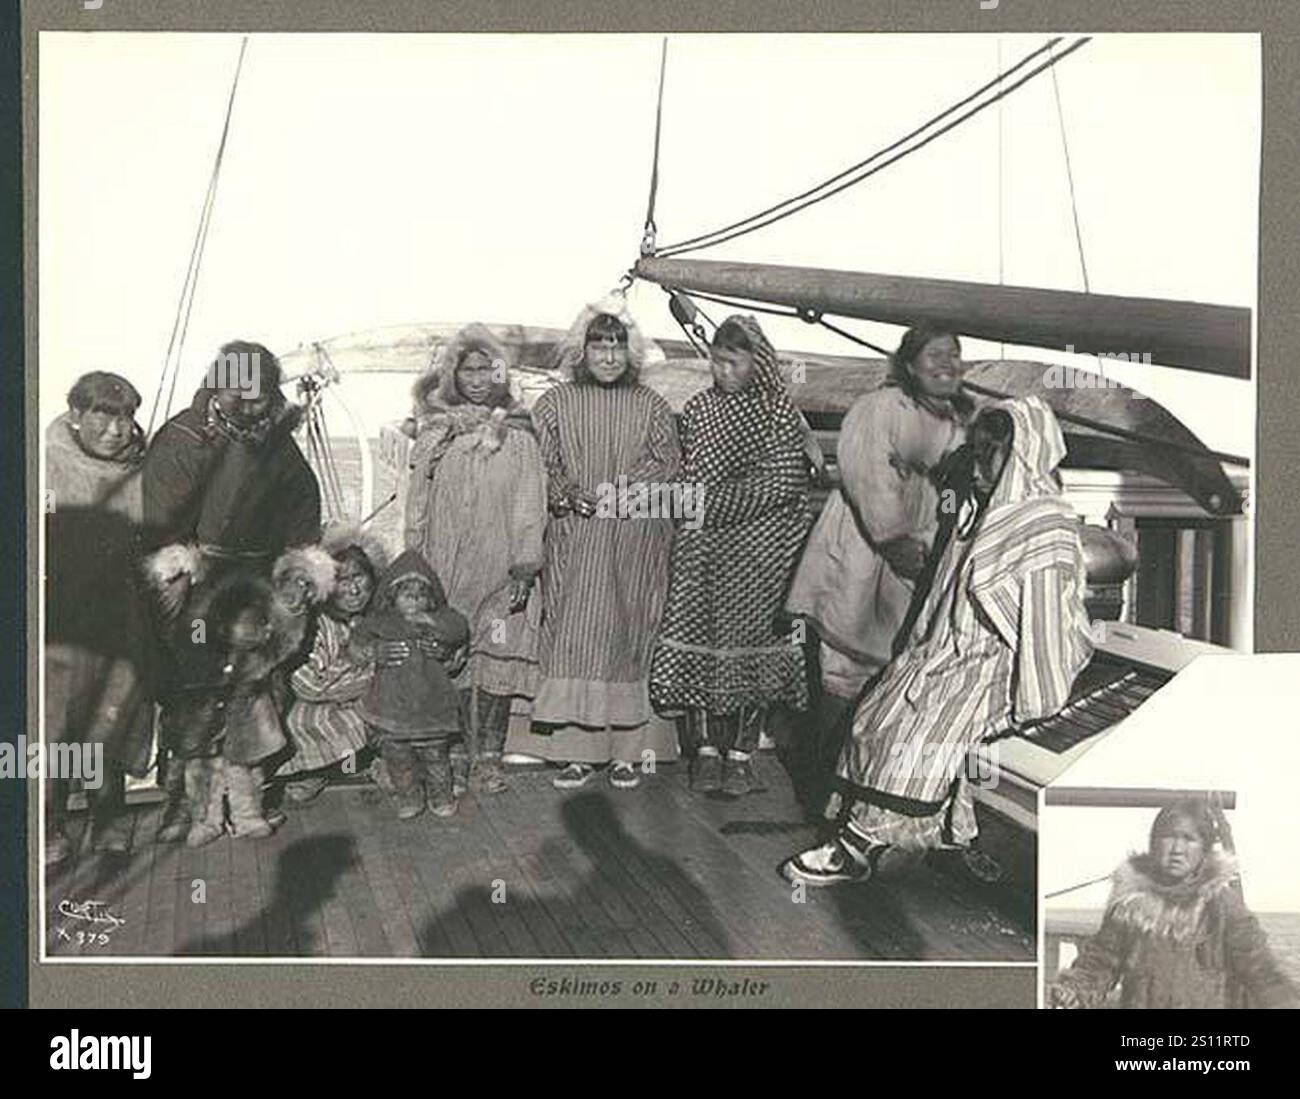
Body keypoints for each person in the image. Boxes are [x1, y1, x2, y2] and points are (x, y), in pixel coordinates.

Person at [781, 397, 1093, 885]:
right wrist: (919, 652)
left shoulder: (1043, 525)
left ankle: (858, 843)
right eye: (981, 451)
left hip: (1002, 664)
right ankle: (949, 837)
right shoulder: (977, 508)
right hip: (949, 649)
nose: (982, 465)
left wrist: (1035, 699)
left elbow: (1046, 627)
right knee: (875, 715)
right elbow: (942, 593)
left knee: (917, 732)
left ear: (1023, 456)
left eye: (993, 455)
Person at [142, 340, 321, 842]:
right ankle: (190, 808)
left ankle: (248, 802)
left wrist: (298, 572)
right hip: (197, 590)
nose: (247, 402)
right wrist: (176, 570)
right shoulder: (183, 437)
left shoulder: (280, 447)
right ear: (216, 385)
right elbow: (157, 518)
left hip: (253, 588)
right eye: (236, 389)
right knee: (192, 692)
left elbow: (301, 512)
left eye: (259, 393)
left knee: (250, 689)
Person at [507, 298, 681, 790]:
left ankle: (628, 753)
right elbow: (539, 462)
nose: (608, 357)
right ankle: (575, 752)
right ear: (580, 352)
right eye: (598, 346)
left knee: (628, 637)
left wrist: (626, 493)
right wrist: (565, 494)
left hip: (634, 539)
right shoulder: (556, 403)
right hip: (576, 537)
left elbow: (667, 463)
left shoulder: (650, 404)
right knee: (572, 639)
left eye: (617, 347)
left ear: (631, 353)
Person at [786, 326, 972, 768]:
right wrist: (898, 543)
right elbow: (869, 477)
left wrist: (937, 539)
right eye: (934, 354)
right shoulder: (878, 408)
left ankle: (871, 782)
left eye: (953, 354)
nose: (946, 363)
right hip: (864, 554)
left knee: (898, 671)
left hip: (923, 555)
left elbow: (958, 490)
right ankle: (825, 784)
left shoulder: (963, 422)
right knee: (845, 673)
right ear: (909, 364)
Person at [650, 316, 812, 797]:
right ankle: (703, 750)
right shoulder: (700, 408)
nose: (723, 370)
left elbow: (781, 482)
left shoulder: (778, 412)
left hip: (761, 550)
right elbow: (689, 471)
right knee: (700, 633)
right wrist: (694, 502)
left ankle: (740, 755)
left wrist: (708, 504)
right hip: (704, 548)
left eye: (733, 361)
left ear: (756, 361)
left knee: (752, 643)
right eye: (717, 360)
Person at [403, 324, 546, 795]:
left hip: (502, 572)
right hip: (446, 567)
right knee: (455, 655)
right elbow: (417, 502)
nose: (479, 379)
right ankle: (458, 752)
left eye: (487, 369)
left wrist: (525, 566)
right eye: (469, 369)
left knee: (498, 655)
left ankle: (490, 755)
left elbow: (530, 503)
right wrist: (415, 562)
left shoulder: (519, 435)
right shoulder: (437, 434)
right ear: (454, 375)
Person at [151, 544, 336, 847]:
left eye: (306, 586)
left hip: (244, 700)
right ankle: (205, 820)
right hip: (201, 699)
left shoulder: (275, 614)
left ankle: (247, 816)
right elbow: (190, 639)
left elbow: (282, 643)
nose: (298, 590)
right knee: (201, 763)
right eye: (294, 581)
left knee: (244, 763)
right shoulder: (198, 608)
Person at [44, 372, 154, 862]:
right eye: (103, 417)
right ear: (75, 416)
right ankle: (50, 824)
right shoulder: (45, 465)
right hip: (60, 619)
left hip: (121, 615)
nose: (116, 430)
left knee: (112, 715)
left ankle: (107, 816)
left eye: (125, 418)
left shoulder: (143, 469)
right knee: (55, 722)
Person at [1048, 799, 1299, 1009]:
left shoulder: (1222, 907)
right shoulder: (1130, 904)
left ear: (1204, 848)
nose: (1177, 849)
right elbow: (1101, 961)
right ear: (1153, 843)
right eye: (1168, 837)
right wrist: (1075, 989)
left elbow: (1262, 972)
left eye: (1189, 839)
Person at [352, 549, 470, 819]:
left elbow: (460, 627)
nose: (415, 599)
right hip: (393, 712)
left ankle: (442, 797)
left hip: (432, 713)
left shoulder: (441, 620)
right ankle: (409, 798)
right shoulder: (382, 623)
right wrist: (372, 650)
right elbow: (358, 640)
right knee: (399, 761)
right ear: (392, 598)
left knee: (436, 759)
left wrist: (431, 621)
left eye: (422, 593)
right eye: (407, 593)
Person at [276, 527, 388, 803]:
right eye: (342, 580)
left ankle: (359, 765)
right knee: (301, 723)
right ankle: (323, 771)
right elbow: (309, 687)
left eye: (359, 577)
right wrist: (357, 664)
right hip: (321, 706)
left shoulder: (379, 618)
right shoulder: (318, 623)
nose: (353, 589)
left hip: (363, 701)